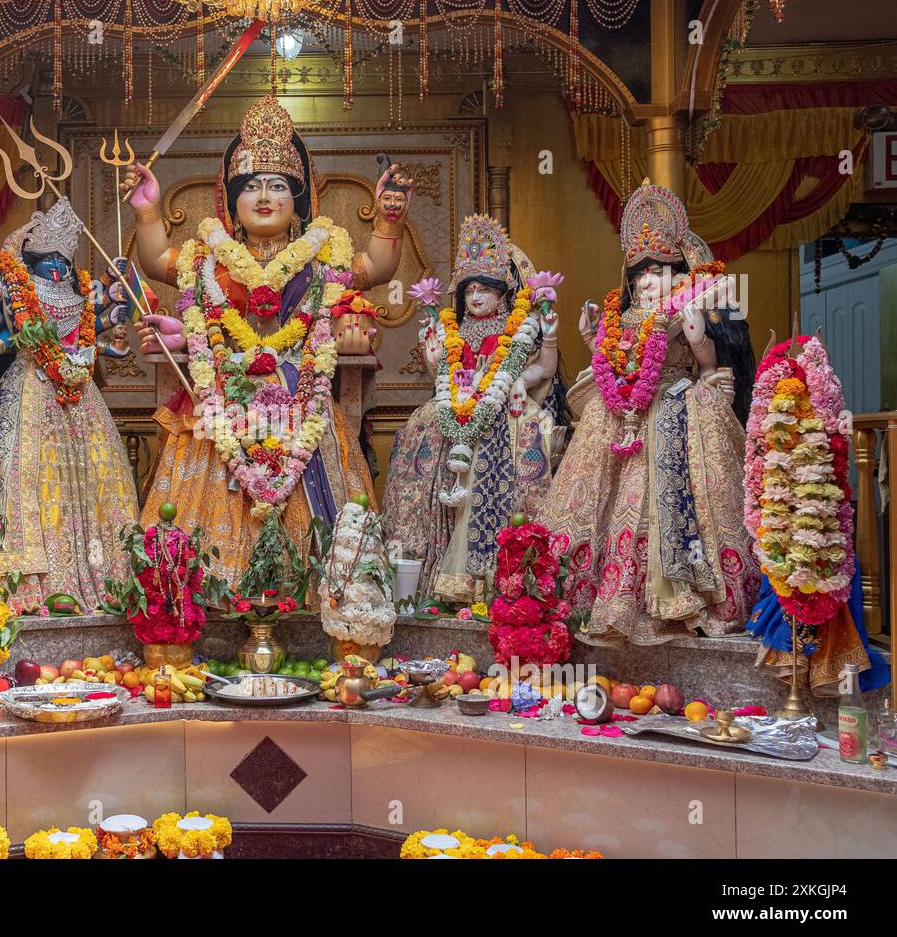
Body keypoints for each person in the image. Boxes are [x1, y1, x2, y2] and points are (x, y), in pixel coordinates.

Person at [117, 94, 414, 586]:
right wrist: (148, 213)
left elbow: (377, 267)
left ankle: (314, 591)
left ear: (297, 202)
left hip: (302, 398)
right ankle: (209, 593)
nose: (264, 195)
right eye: (250, 185)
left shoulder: (321, 263)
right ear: (233, 202)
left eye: (277, 186)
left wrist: (389, 219)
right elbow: (157, 263)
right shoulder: (209, 263)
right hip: (222, 400)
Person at [539, 180, 759, 646]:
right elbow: (614, 368)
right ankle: (590, 595)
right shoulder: (624, 316)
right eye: (639, 273)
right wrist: (591, 338)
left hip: (677, 405)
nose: (645, 281)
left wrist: (698, 336)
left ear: (678, 274)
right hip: (620, 412)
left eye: (656, 272)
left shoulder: (684, 308)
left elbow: (708, 366)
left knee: (665, 493)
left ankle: (672, 595)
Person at [0, 197, 140, 612]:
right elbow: (3, 327)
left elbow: (104, 323)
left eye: (62, 261)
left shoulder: (79, 295)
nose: (56, 269)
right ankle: (30, 584)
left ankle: (107, 576)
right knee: (28, 477)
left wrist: (118, 293)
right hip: (28, 392)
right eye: (46, 261)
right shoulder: (18, 288)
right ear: (31, 262)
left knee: (94, 483)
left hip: (80, 396)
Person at [383, 215, 568, 602]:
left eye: (485, 290)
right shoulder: (454, 329)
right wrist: (434, 355)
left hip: (504, 411)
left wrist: (538, 353)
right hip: (451, 411)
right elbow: (443, 375)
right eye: (469, 291)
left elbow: (544, 369)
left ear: (503, 294)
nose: (476, 298)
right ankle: (429, 580)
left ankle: (498, 584)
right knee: (424, 450)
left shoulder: (518, 328)